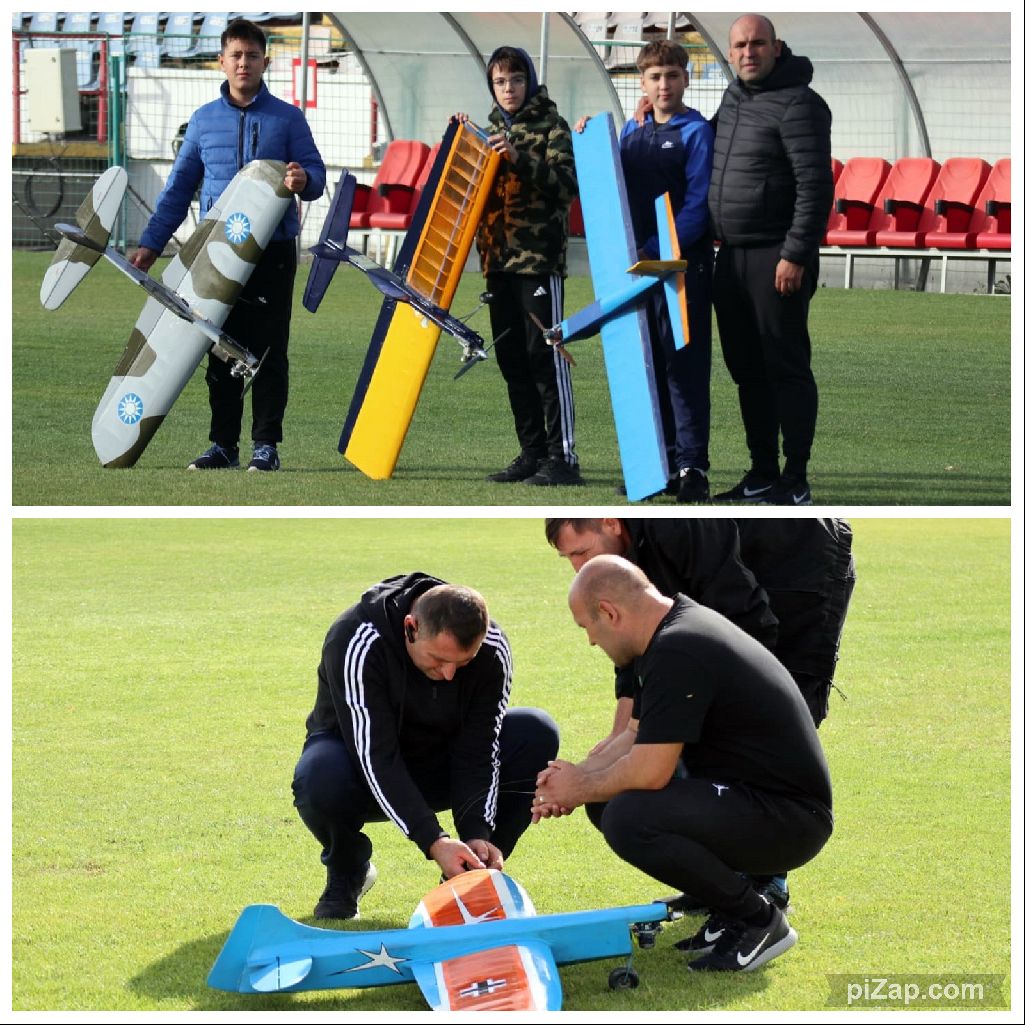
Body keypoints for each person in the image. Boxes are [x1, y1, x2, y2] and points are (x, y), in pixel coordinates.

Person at [532, 556, 833, 972]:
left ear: (609, 613)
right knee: (608, 800)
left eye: (588, 628)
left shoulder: (678, 647)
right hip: (756, 801)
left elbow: (651, 771)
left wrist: (581, 786)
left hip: (790, 819)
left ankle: (758, 919)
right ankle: (721, 900)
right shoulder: (671, 632)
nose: (591, 643)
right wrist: (578, 776)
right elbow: (635, 735)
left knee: (627, 816)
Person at [291, 573, 559, 919]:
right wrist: (433, 840)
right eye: (437, 659)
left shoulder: (492, 646)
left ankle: (471, 876)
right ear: (410, 628)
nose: (449, 674)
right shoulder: (356, 638)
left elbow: (479, 748)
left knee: (535, 732)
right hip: (358, 767)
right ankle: (348, 870)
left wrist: (477, 831)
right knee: (319, 774)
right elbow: (375, 755)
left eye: (462, 663)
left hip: (440, 762)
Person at [130, 18, 326, 473]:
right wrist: (150, 243)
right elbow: (178, 190)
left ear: (264, 62)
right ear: (221, 60)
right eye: (236, 55)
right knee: (218, 348)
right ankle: (222, 445)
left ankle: (266, 447)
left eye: (252, 55)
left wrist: (303, 180)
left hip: (273, 252)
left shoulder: (287, 118)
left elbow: (314, 174)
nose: (244, 63)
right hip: (215, 254)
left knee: (269, 348)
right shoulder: (202, 122)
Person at [576, 41, 714, 502]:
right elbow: (608, 182)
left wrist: (656, 247)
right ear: (642, 83)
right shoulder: (633, 133)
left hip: (680, 266)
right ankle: (657, 467)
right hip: (636, 270)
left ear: (686, 80)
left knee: (685, 365)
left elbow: (698, 205)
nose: (663, 84)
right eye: (654, 77)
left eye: (672, 75)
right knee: (647, 364)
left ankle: (692, 466)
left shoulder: (696, 132)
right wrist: (587, 134)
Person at [708, 15, 833, 506]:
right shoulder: (734, 98)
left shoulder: (801, 104)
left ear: (776, 47)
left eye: (757, 44)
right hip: (730, 257)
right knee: (746, 370)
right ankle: (761, 470)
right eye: (739, 45)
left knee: (786, 367)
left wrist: (795, 254)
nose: (747, 53)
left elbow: (816, 186)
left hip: (776, 257)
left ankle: (795, 477)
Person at [473, 46, 582, 487]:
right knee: (512, 361)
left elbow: (567, 187)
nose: (509, 88)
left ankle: (563, 458)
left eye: (516, 79)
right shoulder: (488, 130)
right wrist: (461, 139)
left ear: (530, 81)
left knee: (546, 359)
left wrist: (521, 158)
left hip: (537, 261)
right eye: (500, 81)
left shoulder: (552, 127)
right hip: (497, 263)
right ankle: (532, 452)